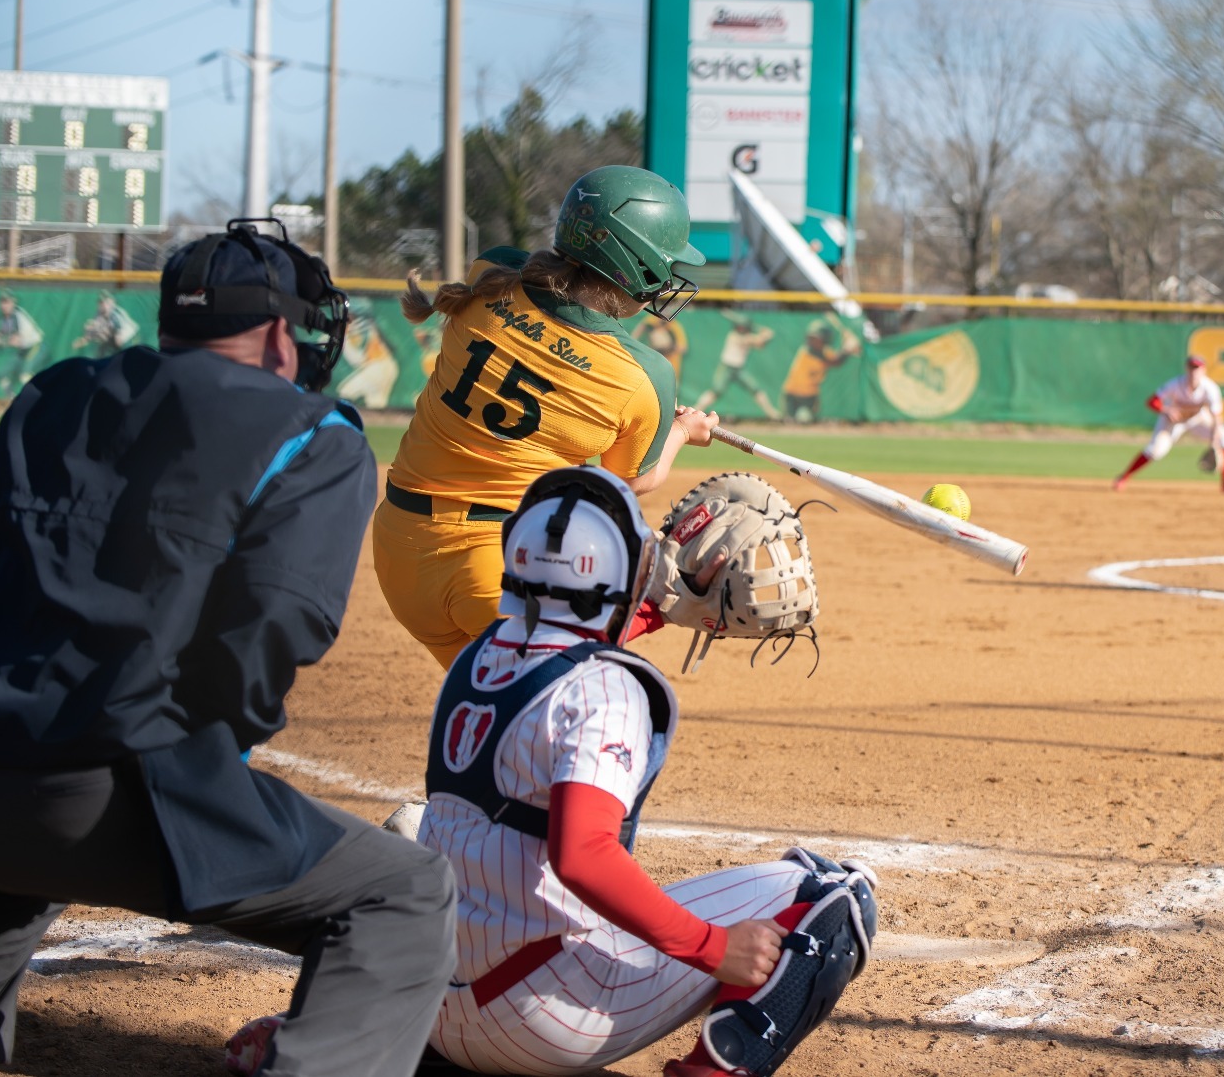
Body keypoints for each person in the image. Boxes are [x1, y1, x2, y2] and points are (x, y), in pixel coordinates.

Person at [0, 221, 456, 1077]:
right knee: (404, 893)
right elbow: (279, 620)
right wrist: (216, 742)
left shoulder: (54, 389)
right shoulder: (315, 430)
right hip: (96, 791)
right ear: (286, 335)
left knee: (9, 844)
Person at [404, 465, 874, 1076]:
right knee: (831, 893)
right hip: (540, 1018)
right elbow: (582, 856)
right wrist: (715, 949)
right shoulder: (605, 689)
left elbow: (563, 634)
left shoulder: (476, 659)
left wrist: (659, 607)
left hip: (435, 1012)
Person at [374, 167, 719, 669]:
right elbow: (631, 483)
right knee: (546, 709)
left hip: (397, 549)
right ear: (635, 263)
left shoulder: (489, 275)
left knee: (487, 714)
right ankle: (658, 609)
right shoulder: (642, 376)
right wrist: (684, 432)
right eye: (664, 261)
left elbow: (528, 275)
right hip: (495, 574)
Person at [1112, 353, 1224, 495]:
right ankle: (1123, 477)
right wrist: (1166, 410)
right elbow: (1152, 401)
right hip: (1173, 421)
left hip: (1198, 419)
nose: (1194, 371)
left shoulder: (1210, 388)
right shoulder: (1175, 384)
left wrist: (1214, 442)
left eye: (1197, 368)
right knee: (1155, 451)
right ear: (1186, 369)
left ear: (1204, 371)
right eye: (1191, 367)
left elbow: (1216, 417)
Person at [696, 314, 779, 419]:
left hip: (739, 369)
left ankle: (772, 414)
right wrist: (763, 332)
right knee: (715, 391)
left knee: (756, 389)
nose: (740, 329)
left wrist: (758, 329)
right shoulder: (734, 335)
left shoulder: (746, 334)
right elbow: (759, 340)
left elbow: (761, 344)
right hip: (726, 367)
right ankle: (696, 409)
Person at [781, 319, 859, 423]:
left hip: (810, 397)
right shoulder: (807, 350)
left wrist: (850, 348)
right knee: (791, 423)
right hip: (792, 395)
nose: (812, 341)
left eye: (816, 339)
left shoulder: (825, 352)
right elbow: (834, 361)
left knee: (806, 423)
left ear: (825, 339)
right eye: (811, 338)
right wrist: (847, 349)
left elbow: (838, 360)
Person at [0, 292, 42, 396]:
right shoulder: (3, 318)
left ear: (13, 303)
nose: (4, 305)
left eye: (7, 302)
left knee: (24, 376)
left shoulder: (16, 315)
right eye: (2, 302)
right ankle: (12, 399)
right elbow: (2, 333)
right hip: (22, 350)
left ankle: (41, 398)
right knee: (2, 376)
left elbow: (16, 340)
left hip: (34, 346)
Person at [69, 291, 141, 358]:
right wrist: (86, 338)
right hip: (114, 339)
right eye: (100, 302)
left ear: (112, 303)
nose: (102, 304)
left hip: (130, 338)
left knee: (116, 346)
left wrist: (103, 334)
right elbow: (91, 335)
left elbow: (118, 339)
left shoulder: (116, 315)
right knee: (100, 354)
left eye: (105, 302)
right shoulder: (99, 314)